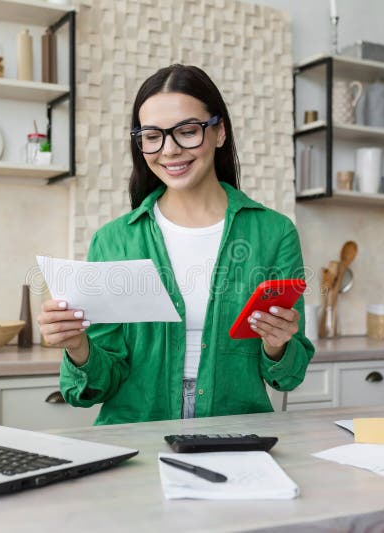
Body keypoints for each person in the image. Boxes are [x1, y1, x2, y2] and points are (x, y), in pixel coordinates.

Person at [37, 64, 314, 425]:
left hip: (235, 434)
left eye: (186, 131)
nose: (168, 150)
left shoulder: (274, 233)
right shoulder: (113, 240)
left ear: (219, 133)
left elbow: (287, 376)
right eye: (152, 136)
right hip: (135, 437)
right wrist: (77, 346)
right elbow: (95, 388)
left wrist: (276, 344)